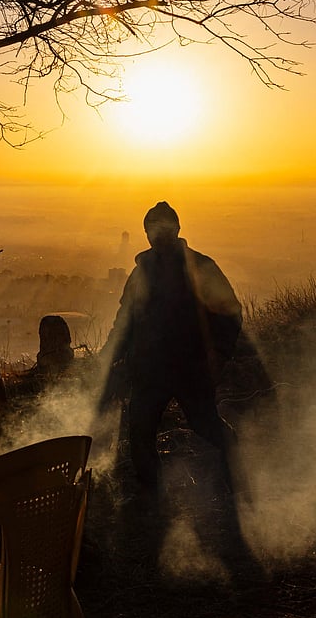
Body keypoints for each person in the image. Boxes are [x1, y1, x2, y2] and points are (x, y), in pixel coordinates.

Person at [102, 201, 243, 501]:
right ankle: (150, 493)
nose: (158, 235)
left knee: (205, 424)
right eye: (152, 229)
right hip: (149, 370)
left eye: (163, 228)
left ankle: (237, 473)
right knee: (140, 430)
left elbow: (229, 312)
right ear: (146, 233)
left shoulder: (200, 267)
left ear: (177, 229)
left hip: (190, 367)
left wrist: (219, 353)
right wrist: (110, 356)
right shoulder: (140, 274)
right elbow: (125, 318)